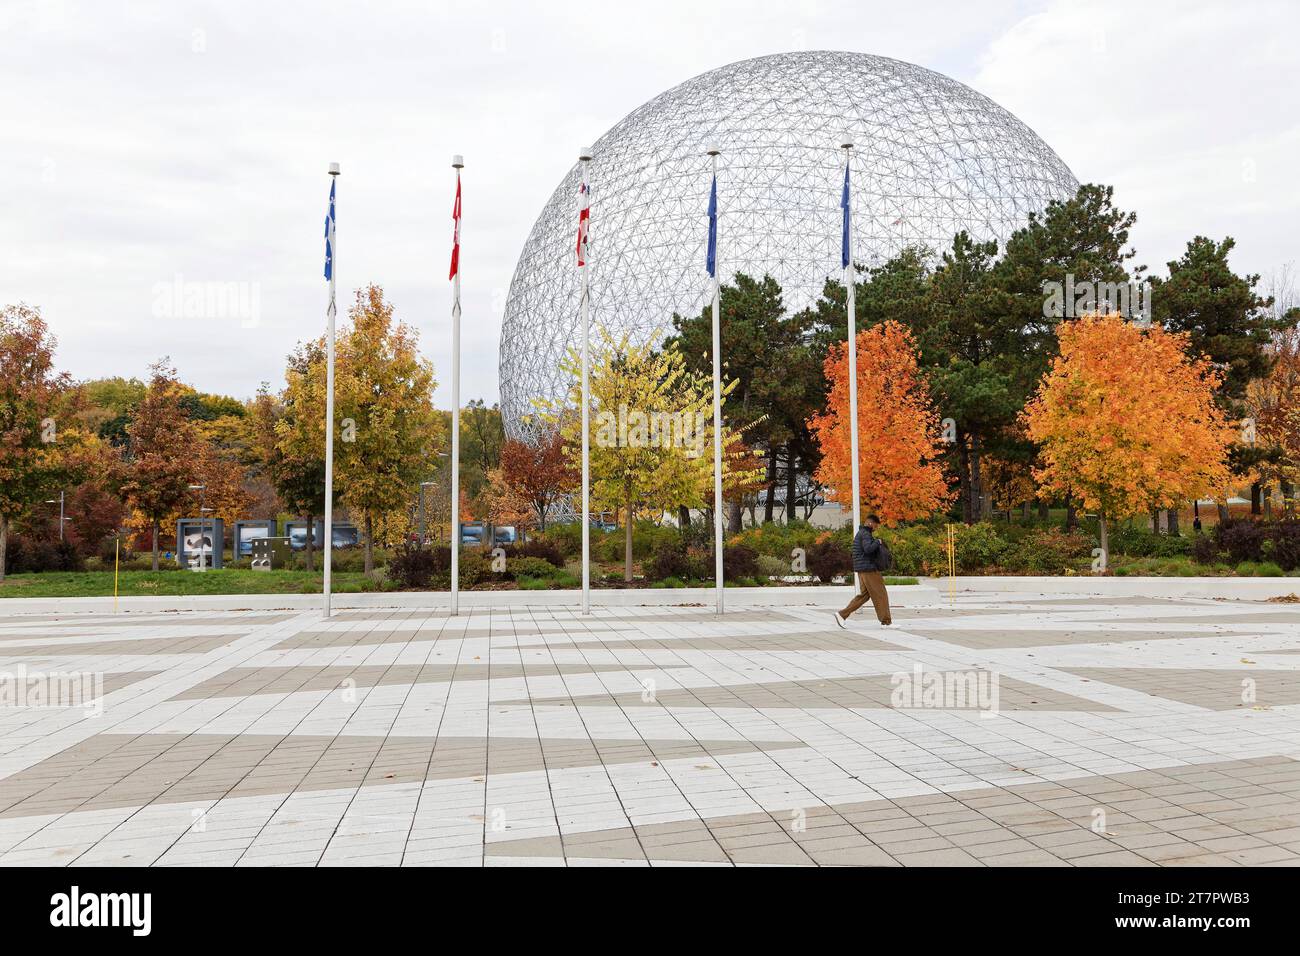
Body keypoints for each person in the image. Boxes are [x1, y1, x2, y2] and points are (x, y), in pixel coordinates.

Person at [832, 514, 892, 627]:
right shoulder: (865, 534)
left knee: (864, 596)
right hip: (869, 569)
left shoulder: (861, 533)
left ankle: (841, 614)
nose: (876, 528)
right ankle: (886, 622)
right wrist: (878, 542)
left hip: (862, 569)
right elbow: (868, 549)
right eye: (875, 526)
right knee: (881, 594)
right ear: (870, 523)